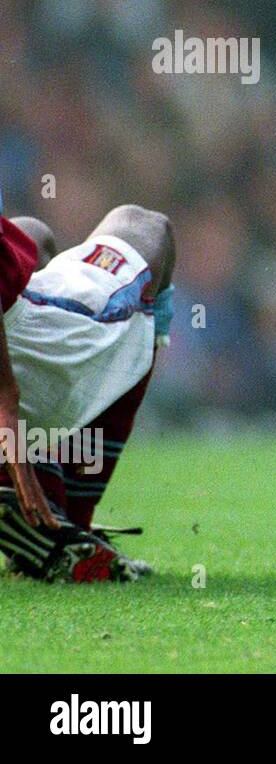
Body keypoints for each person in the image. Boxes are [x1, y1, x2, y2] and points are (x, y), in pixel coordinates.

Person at [0, 192, 174, 582]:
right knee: (145, 224)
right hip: (23, 367)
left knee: (30, 234)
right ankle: (67, 529)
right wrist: (6, 405)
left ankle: (40, 493)